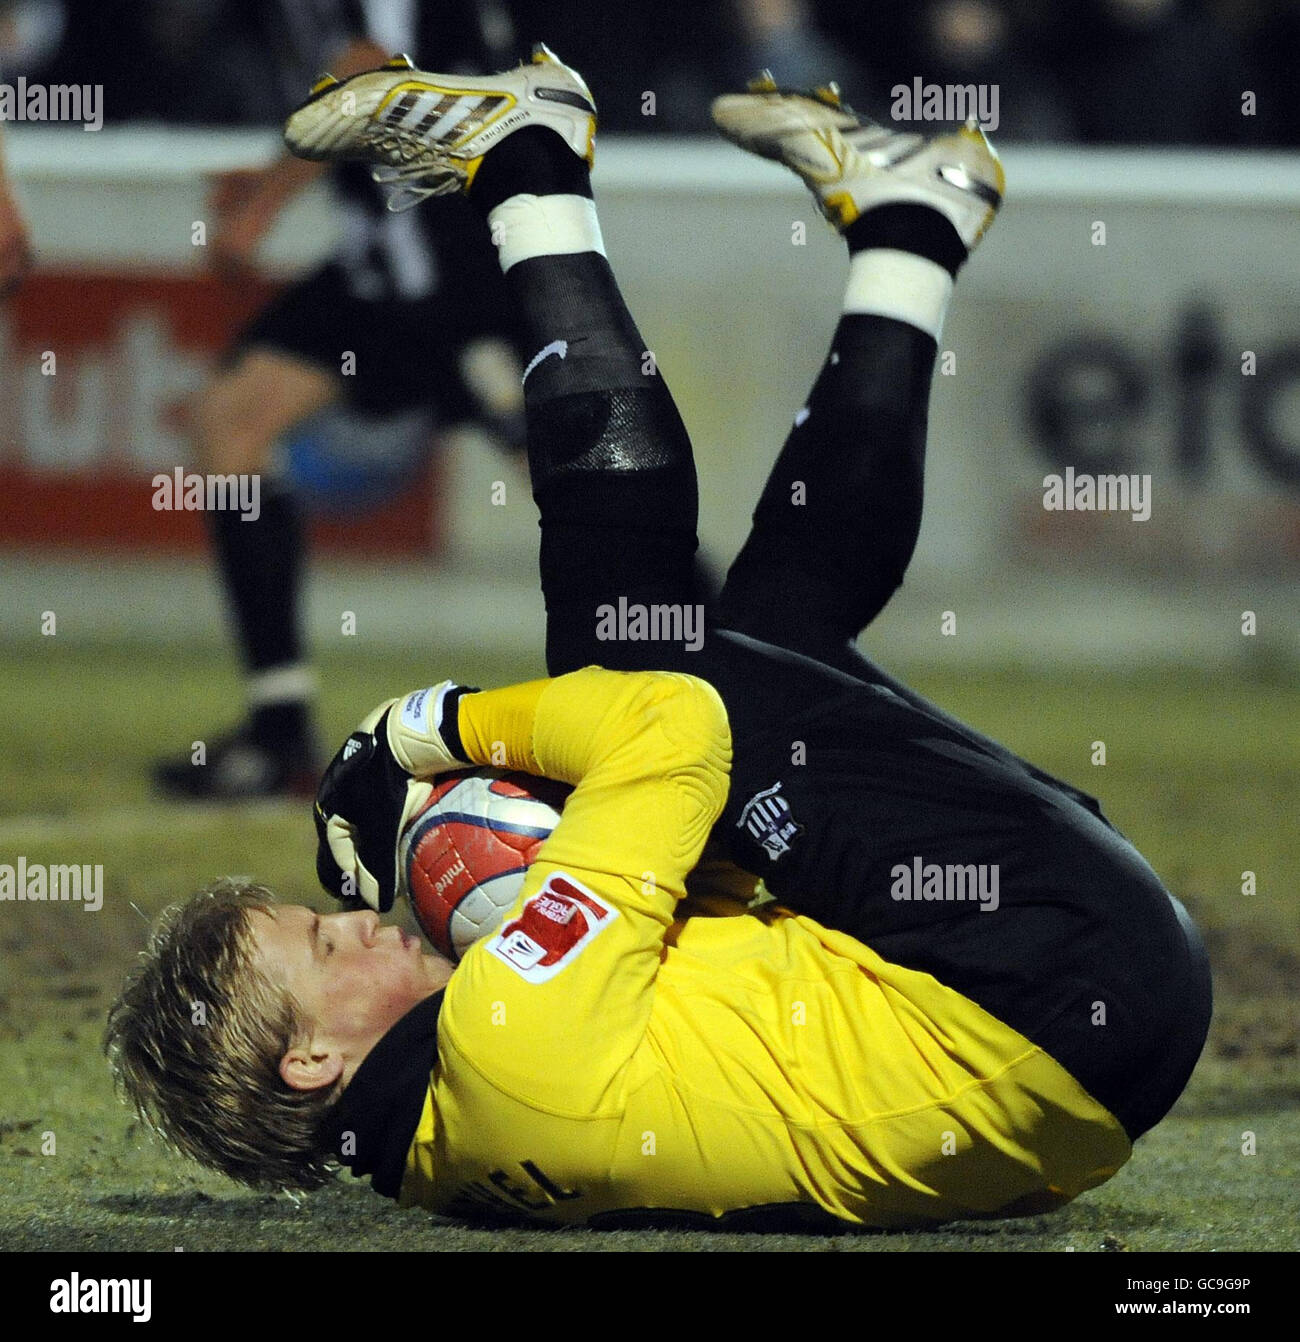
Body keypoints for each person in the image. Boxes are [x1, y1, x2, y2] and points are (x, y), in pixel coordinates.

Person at [106, 48, 1212, 1230]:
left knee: (771, 629)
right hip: (1045, 966)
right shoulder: (504, 1040)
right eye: (328, 942)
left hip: (1083, 1060)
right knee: (633, 656)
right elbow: (675, 725)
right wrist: (425, 729)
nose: (366, 920)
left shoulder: (445, 1148)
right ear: (313, 1062)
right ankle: (526, 163)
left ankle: (910, 229)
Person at [151, 0, 527, 801]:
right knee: (229, 421)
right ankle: (279, 733)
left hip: (462, 272)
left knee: (582, 478)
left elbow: (369, 71)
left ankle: (733, 674)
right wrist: (274, 173)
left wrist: (266, 199)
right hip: (380, 276)